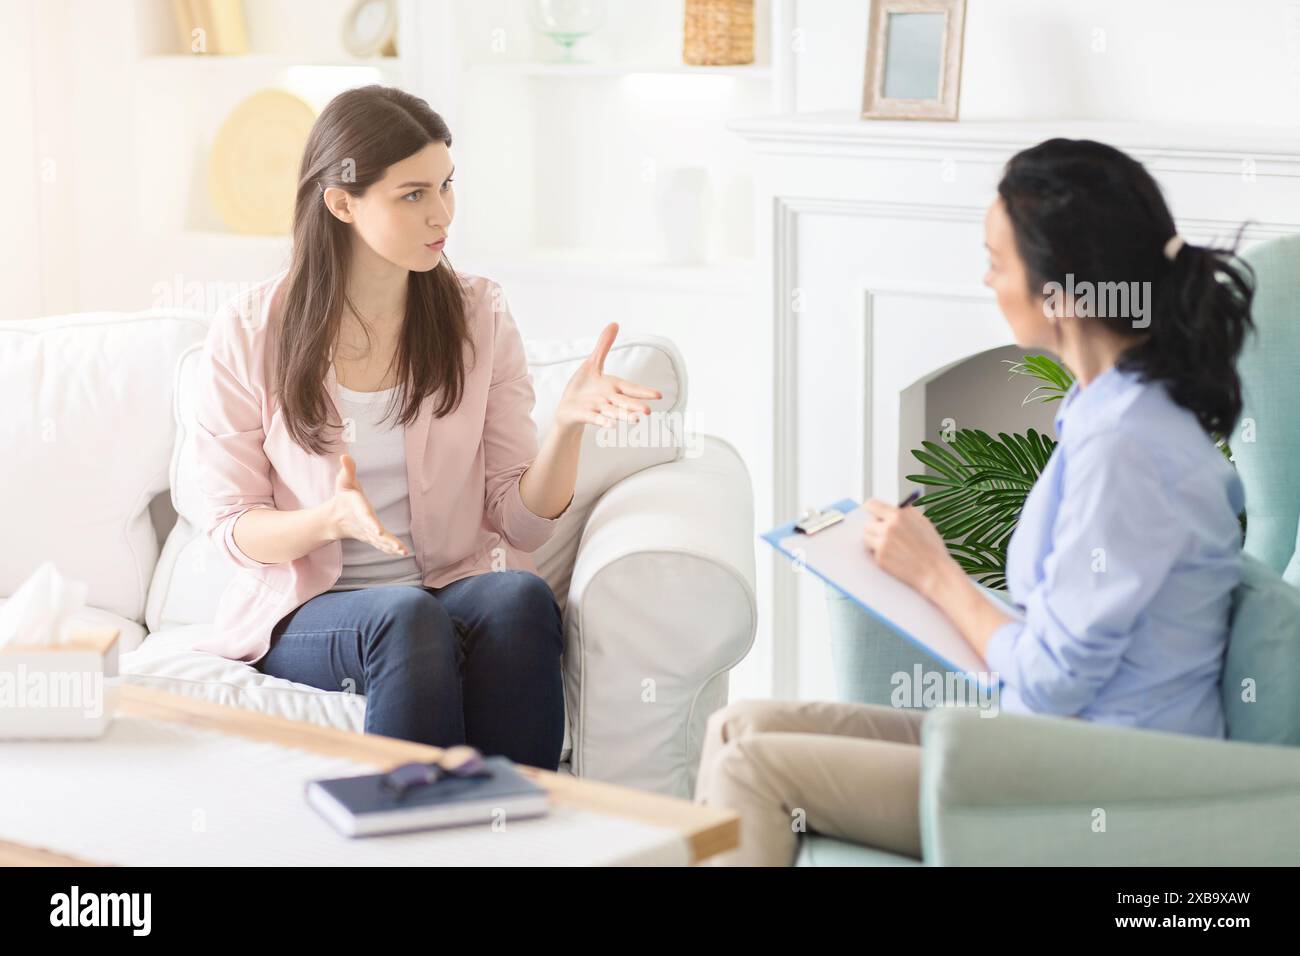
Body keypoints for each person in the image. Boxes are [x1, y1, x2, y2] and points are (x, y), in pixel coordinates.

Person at [695, 137, 1254, 865]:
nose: (987, 280)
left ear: (1061, 290)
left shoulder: (1129, 449)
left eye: (997, 261)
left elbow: (1054, 681)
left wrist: (935, 575)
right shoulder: (1103, 412)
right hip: (1038, 739)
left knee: (752, 767)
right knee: (739, 726)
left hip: (1100, 782)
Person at [192, 86, 661, 770]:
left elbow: (521, 524)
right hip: (309, 609)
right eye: (412, 194)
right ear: (343, 202)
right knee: (406, 618)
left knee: (519, 597)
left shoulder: (478, 314)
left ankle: (519, 829)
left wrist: (566, 427)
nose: (441, 212)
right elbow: (234, 528)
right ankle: (409, 839)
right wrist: (328, 521)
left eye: (446, 186)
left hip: (447, 582)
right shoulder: (249, 329)